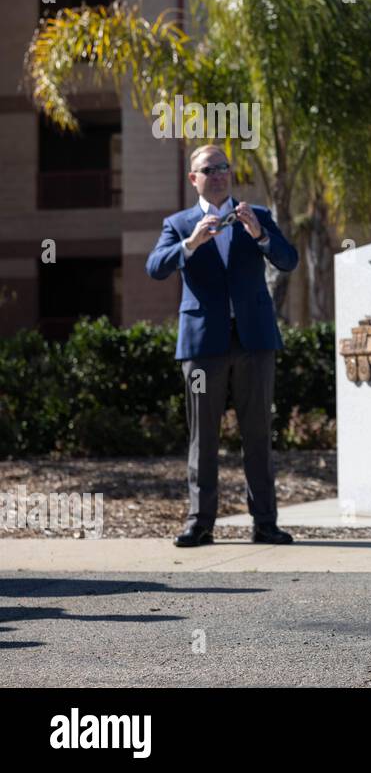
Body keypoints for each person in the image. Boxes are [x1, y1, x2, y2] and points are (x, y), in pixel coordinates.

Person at [146, 144, 300, 548]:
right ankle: (200, 524)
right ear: (193, 178)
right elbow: (155, 267)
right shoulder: (178, 223)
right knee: (204, 437)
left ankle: (265, 523)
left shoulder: (258, 216)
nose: (218, 174)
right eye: (208, 169)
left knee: (258, 434)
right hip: (202, 346)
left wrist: (261, 234)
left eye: (224, 168)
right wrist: (191, 243)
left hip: (254, 342)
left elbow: (289, 260)